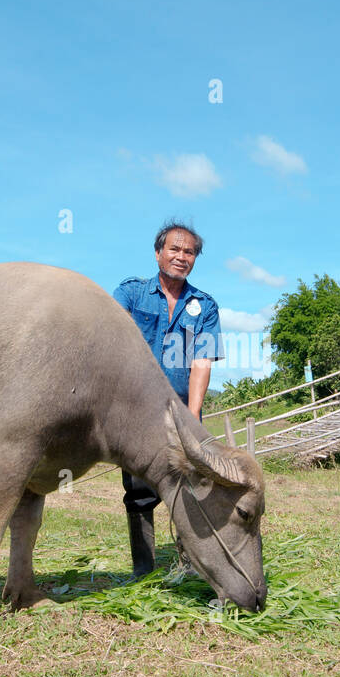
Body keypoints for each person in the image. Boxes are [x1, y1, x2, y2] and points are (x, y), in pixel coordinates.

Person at [112, 220, 225, 576]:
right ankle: (142, 570)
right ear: (158, 253)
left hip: (182, 408)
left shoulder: (204, 306)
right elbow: (111, 344)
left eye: (188, 251)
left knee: (191, 488)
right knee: (139, 491)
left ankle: (189, 564)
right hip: (137, 410)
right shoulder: (131, 294)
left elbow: (201, 361)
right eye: (174, 249)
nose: (181, 256)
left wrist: (190, 419)